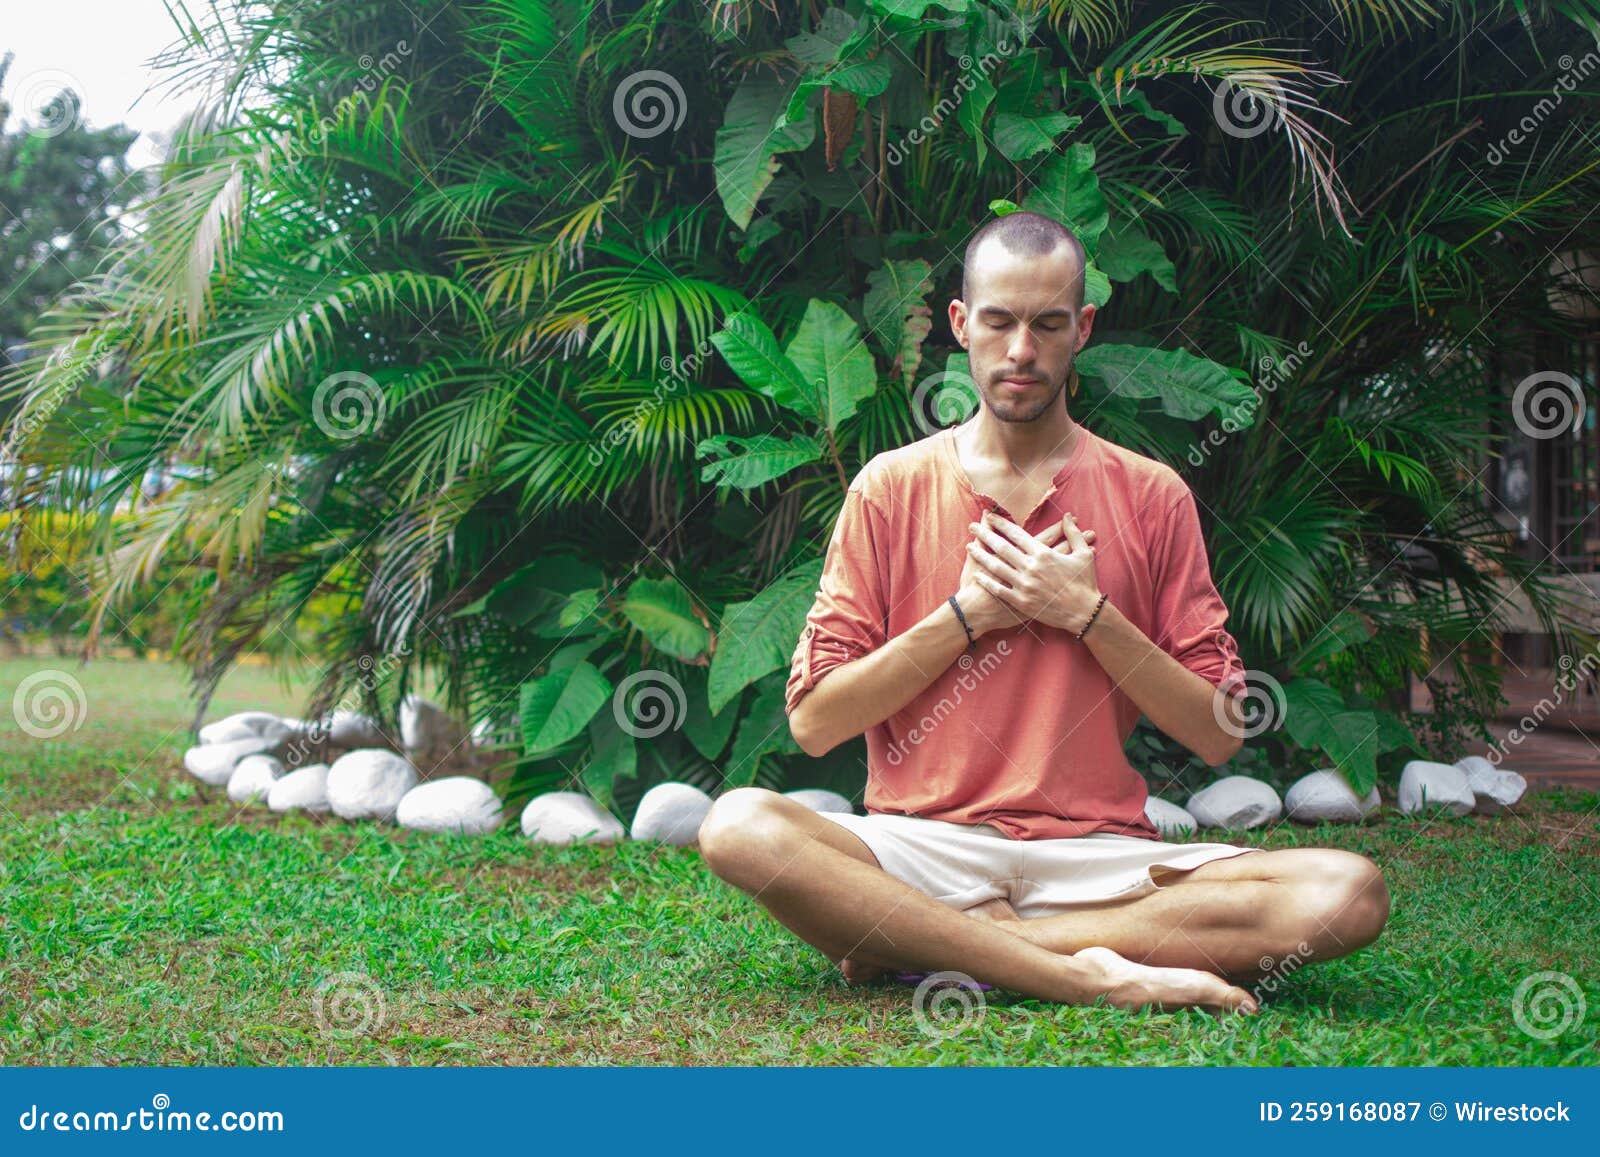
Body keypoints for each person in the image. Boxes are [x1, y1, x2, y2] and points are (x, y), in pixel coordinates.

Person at [697, 210, 1389, 1016]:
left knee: (1348, 891)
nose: (1021, 350)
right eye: (998, 322)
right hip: (921, 845)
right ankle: (1081, 973)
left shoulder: (1154, 494)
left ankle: (923, 941)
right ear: (961, 325)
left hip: (1093, 861)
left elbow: (1218, 729)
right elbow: (815, 722)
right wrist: (966, 617)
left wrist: (1086, 613)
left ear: (1083, 328)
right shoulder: (888, 488)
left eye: (1047, 324)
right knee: (737, 824)